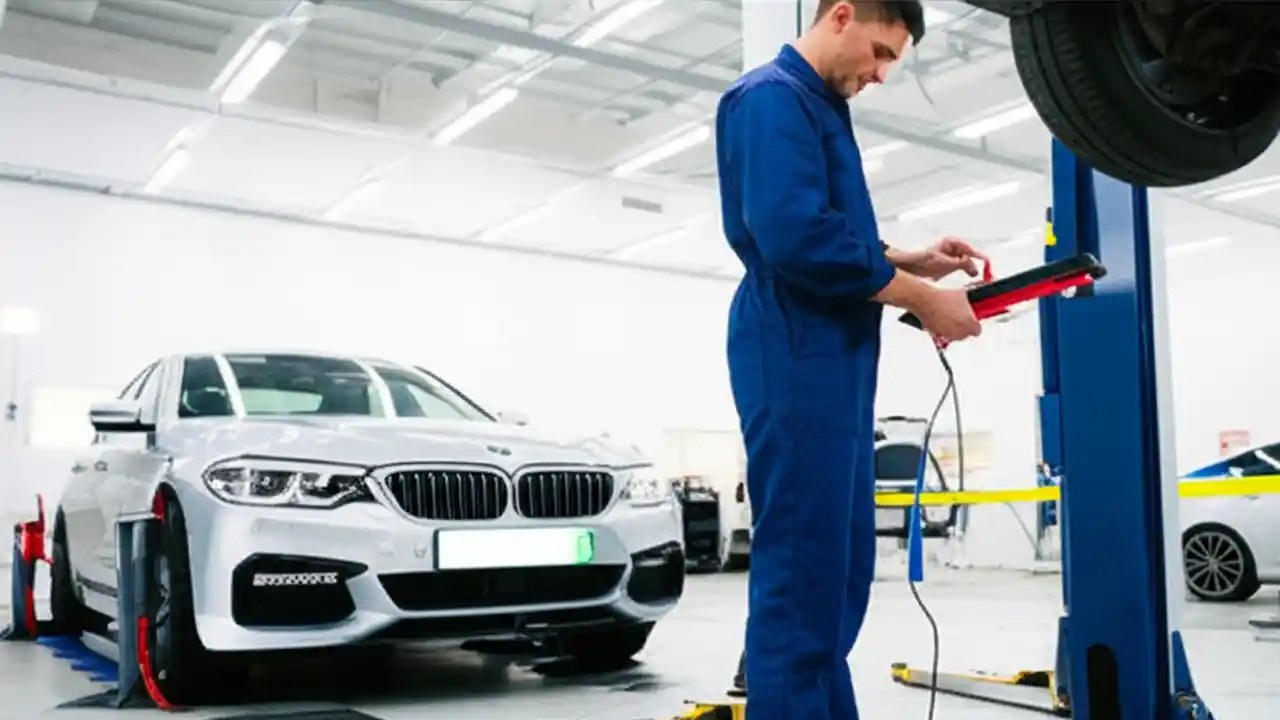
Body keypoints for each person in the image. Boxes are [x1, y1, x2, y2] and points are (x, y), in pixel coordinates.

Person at [714, 2, 987, 718]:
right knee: (803, 575)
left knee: (838, 574)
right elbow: (795, 238)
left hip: (831, 351)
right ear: (840, 15)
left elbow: (831, 228)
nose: (882, 73)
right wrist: (925, 299)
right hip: (795, 344)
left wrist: (912, 259)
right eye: (880, 51)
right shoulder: (770, 99)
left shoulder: (821, 105)